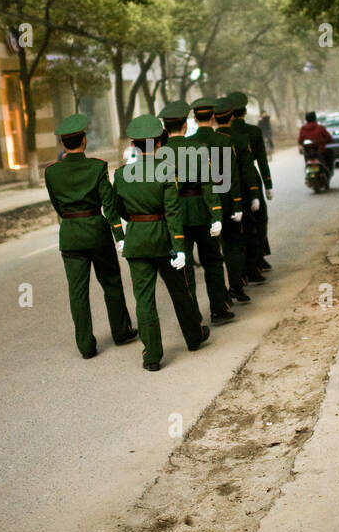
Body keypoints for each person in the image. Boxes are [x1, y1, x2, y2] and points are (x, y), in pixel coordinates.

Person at [113, 114, 209, 371]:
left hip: (136, 240)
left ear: (134, 145)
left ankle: (152, 356)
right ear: (158, 144)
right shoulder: (167, 171)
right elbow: (173, 212)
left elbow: (119, 209)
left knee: (144, 300)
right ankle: (194, 337)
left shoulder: (122, 175)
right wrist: (179, 247)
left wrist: (137, 222)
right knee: (181, 291)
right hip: (165, 240)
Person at [43, 113, 138, 359]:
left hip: (71, 235)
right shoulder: (97, 167)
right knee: (111, 284)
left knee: (78, 293)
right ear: (83, 142)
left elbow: (57, 205)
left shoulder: (52, 173)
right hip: (97, 233)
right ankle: (121, 332)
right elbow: (110, 205)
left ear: (63, 144)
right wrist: (119, 236)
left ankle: (85, 346)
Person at [162, 100, 235, 325]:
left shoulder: (160, 153)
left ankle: (192, 318)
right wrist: (216, 215)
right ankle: (218, 309)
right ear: (185, 124)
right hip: (200, 212)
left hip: (175, 216)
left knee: (183, 269)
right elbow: (207, 185)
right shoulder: (197, 148)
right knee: (212, 260)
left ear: (165, 127)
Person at [216, 96, 265, 286]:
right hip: (241, 194)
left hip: (217, 196)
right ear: (232, 117)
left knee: (228, 240)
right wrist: (254, 194)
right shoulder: (241, 139)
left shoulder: (203, 143)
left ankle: (237, 277)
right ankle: (250, 270)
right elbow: (247, 171)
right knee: (249, 231)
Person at [229, 91, 273, 275]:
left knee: (240, 222)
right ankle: (257, 258)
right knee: (259, 218)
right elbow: (262, 161)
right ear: (245, 112)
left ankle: (247, 262)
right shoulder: (254, 131)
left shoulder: (224, 134)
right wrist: (268, 184)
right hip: (251, 179)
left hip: (229, 179)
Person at [297, 111, 335, 176]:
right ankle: (329, 170)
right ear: (315, 118)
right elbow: (329, 138)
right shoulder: (320, 128)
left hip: (308, 153)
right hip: (321, 152)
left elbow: (300, 141)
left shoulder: (303, 129)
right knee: (330, 152)